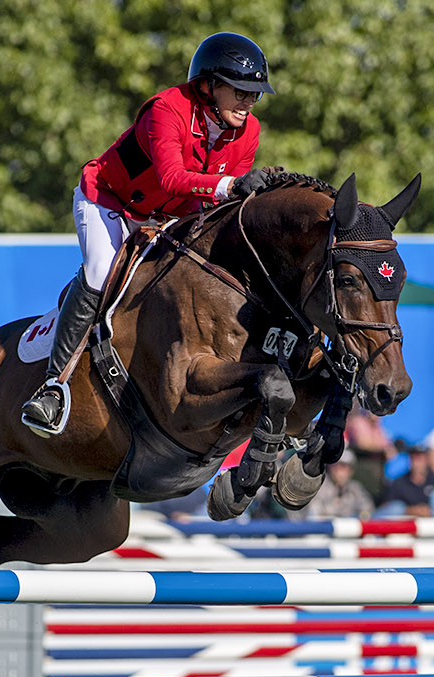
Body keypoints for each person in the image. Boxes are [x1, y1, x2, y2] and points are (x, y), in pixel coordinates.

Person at [21, 32, 275, 437]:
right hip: (107, 199)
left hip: (167, 214)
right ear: (208, 86)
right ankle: (52, 387)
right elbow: (173, 178)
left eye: (254, 94)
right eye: (240, 91)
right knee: (102, 271)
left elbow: (212, 201)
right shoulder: (167, 108)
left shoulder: (249, 130)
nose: (248, 102)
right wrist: (231, 186)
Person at [293, 450, 374, 520]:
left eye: (344, 467)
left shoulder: (355, 488)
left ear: (351, 470)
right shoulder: (318, 485)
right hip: (320, 532)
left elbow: (368, 510)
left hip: (347, 532)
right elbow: (313, 515)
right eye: (337, 466)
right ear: (330, 467)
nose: (340, 471)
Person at [376, 443, 434, 517]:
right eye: (413, 458)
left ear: (427, 460)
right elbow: (386, 508)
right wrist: (409, 510)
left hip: (433, 524)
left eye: (420, 458)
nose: (417, 462)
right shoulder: (399, 483)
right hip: (405, 524)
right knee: (397, 506)